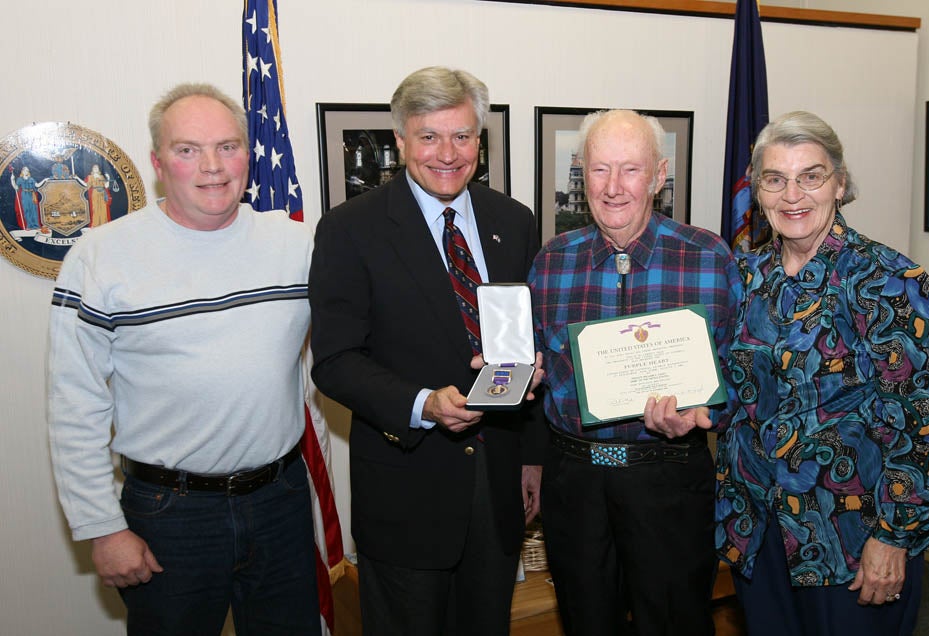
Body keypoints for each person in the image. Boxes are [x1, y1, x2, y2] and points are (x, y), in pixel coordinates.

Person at [48, 83, 320, 635]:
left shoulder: (297, 245)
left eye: (227, 146)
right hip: (169, 515)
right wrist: (102, 527)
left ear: (248, 153)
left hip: (281, 499)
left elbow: (368, 330)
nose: (213, 166)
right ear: (156, 162)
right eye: (188, 149)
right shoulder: (101, 257)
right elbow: (73, 404)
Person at [309, 66, 546, 636]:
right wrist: (423, 404)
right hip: (406, 489)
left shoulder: (513, 222)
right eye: (429, 136)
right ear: (400, 140)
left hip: (497, 484)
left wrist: (532, 455)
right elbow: (335, 362)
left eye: (462, 136)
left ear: (479, 140)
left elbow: (527, 346)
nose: (447, 153)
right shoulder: (350, 229)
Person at [714, 111, 929, 636]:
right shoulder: (746, 276)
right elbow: (735, 395)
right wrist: (688, 409)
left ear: (840, 184)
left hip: (850, 537)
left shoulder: (890, 282)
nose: (793, 194)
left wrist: (892, 537)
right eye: (775, 179)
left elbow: (914, 426)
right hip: (759, 528)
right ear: (757, 191)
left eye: (812, 176)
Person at [528, 109, 741, 636]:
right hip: (575, 482)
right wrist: (512, 376)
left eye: (631, 170)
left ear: (660, 176)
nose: (614, 187)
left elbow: (746, 373)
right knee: (585, 622)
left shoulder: (708, 257)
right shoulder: (552, 262)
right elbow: (534, 368)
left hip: (668, 476)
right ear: (581, 174)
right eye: (599, 170)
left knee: (675, 623)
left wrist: (704, 414)